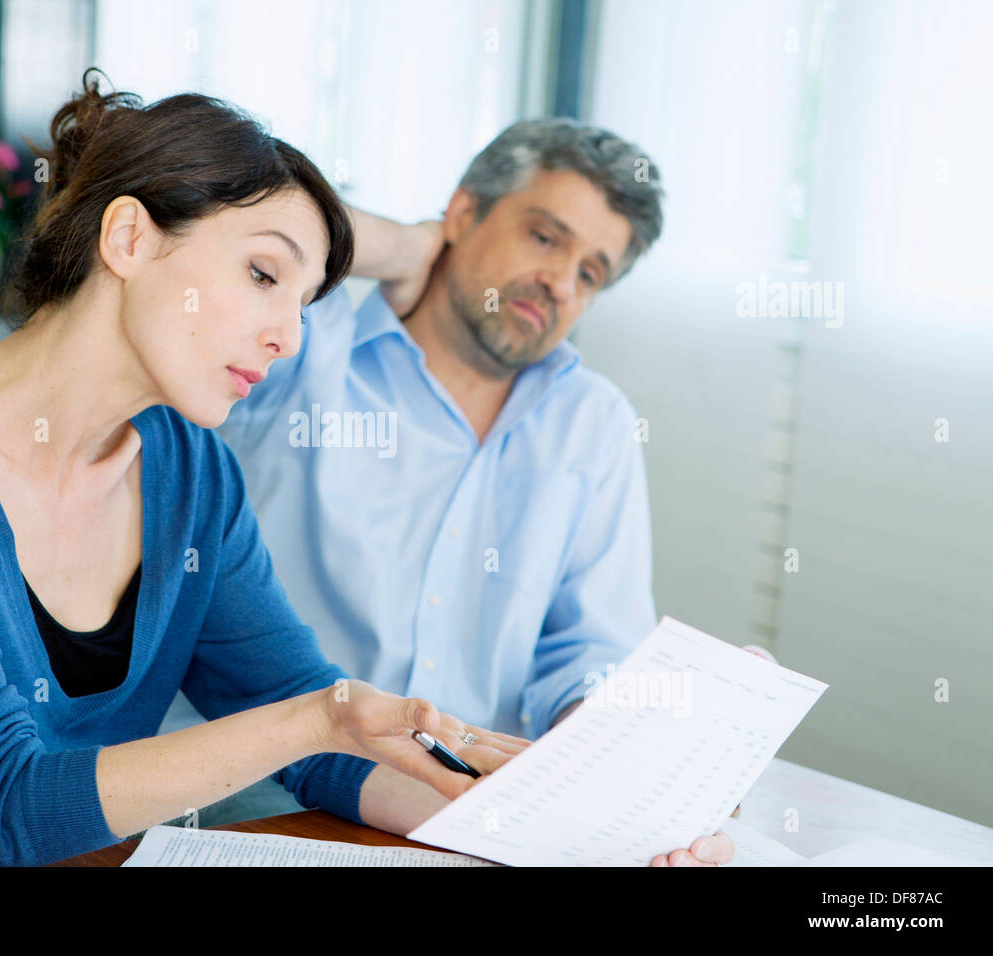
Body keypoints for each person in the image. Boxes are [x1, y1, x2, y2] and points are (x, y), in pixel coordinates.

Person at [0, 71, 530, 866]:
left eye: (303, 305)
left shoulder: (191, 474)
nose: (289, 338)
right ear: (128, 239)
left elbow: (325, 742)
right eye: (264, 276)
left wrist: (540, 826)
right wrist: (318, 718)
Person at [168, 117, 739, 866]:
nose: (561, 282)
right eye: (544, 237)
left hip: (470, 814)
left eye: (592, 272)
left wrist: (605, 747)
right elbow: (233, 219)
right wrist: (407, 245)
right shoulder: (305, 344)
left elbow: (591, 643)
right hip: (260, 797)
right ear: (463, 214)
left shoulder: (593, 425)